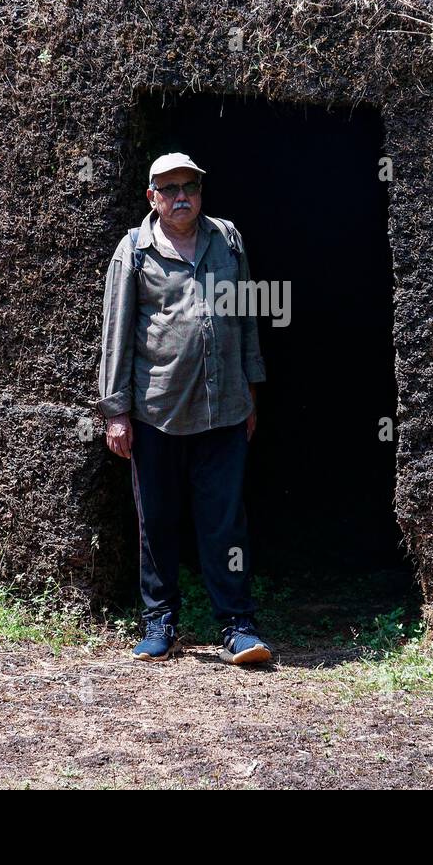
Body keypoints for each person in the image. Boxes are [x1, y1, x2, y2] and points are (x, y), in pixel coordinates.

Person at [97, 151, 273, 664]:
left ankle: (238, 626)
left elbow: (246, 317)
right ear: (151, 196)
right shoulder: (133, 251)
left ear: (201, 191)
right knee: (157, 519)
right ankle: (159, 623)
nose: (181, 197)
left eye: (189, 188)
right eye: (169, 189)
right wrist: (115, 411)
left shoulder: (228, 240)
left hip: (225, 408)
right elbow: (117, 333)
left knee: (224, 520)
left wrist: (252, 389)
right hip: (157, 410)